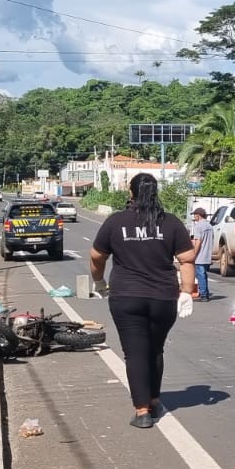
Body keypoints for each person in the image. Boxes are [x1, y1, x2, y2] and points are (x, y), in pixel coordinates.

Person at [89, 174, 198, 428]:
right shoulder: (170, 223)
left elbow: (96, 256)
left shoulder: (116, 222)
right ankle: (154, 399)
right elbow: (187, 259)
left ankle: (142, 411)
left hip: (126, 297)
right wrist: (186, 291)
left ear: (131, 192)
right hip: (163, 298)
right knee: (155, 349)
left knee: (135, 352)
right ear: (156, 192)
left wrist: (98, 281)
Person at [189, 207, 214, 301]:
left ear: (198, 215)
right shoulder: (209, 226)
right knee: (203, 274)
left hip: (200, 254)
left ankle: (204, 295)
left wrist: (194, 253)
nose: (194, 217)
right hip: (207, 254)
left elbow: (198, 241)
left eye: (195, 215)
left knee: (200, 274)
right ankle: (204, 292)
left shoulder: (198, 226)